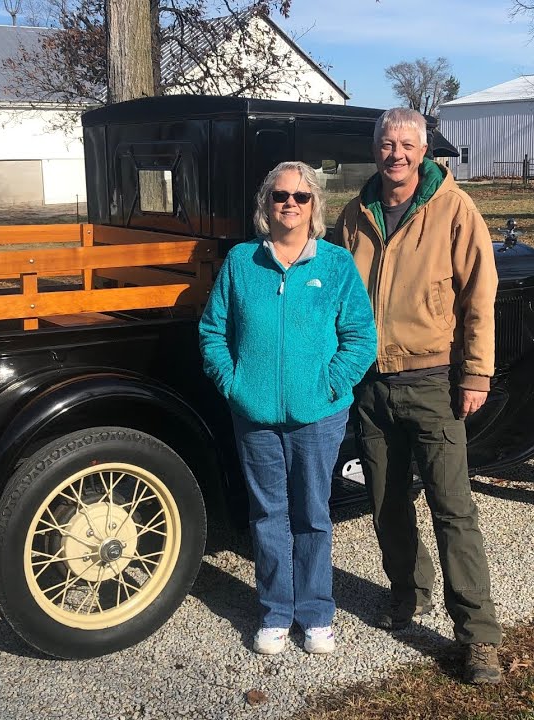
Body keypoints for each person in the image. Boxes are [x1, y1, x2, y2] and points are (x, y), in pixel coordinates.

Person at [332, 108, 504, 684]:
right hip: (371, 384)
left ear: (424, 150)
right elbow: (333, 291)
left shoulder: (454, 208)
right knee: (385, 500)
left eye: (407, 144)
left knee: (452, 508)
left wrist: (476, 374)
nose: (396, 153)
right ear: (375, 148)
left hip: (432, 382)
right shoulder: (355, 214)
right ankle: (408, 591)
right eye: (387, 143)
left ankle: (478, 636)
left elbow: (481, 293)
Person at [199, 161, 377, 656]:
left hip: (319, 415)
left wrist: (328, 384)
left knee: (313, 514)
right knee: (268, 515)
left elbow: (361, 339)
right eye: (280, 196)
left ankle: (317, 613)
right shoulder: (241, 263)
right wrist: (235, 386)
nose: (290, 204)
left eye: (301, 196)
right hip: (253, 415)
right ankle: (276, 612)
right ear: (266, 204)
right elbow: (213, 332)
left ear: (314, 204)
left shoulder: (335, 265)